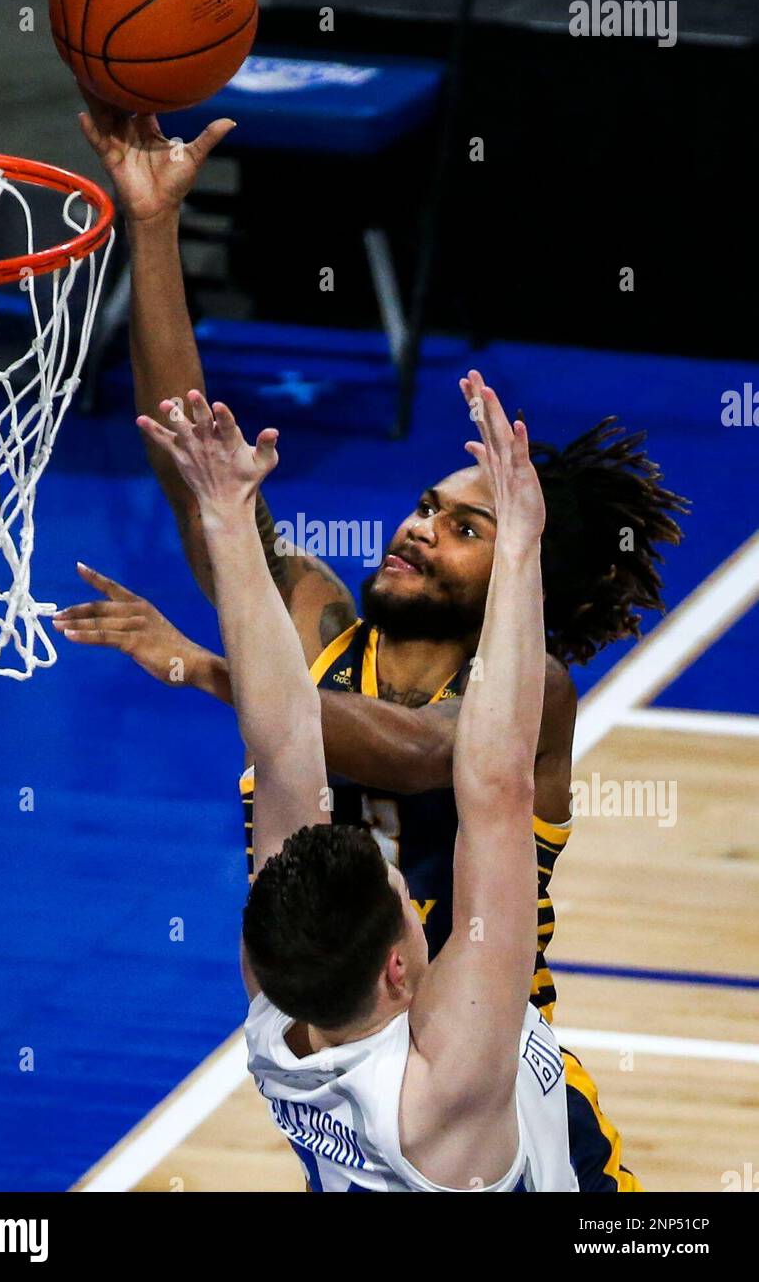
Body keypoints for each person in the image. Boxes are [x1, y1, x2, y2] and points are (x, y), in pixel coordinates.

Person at [57, 100, 687, 1188]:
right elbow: (193, 469)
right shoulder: (319, 629)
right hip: (401, 1082)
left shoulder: (530, 690)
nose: (419, 526)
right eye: (428, 505)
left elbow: (421, 750)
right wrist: (154, 229)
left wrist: (209, 667)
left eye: (467, 527)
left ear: (520, 578)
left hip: (473, 1090)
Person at [135, 369, 578, 1192]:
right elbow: (497, 792)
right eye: (398, 894)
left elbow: (285, 745)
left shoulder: (285, 1018)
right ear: (399, 971)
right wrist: (519, 542)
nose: (405, 890)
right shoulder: (448, 1085)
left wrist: (229, 520)